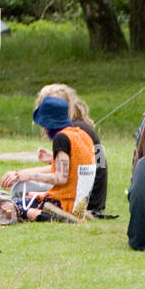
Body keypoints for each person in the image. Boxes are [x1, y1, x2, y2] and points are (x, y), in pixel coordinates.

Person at [1, 95, 97, 221]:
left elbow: (61, 178)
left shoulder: (61, 138)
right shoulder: (82, 135)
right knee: (31, 197)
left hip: (65, 203)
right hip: (80, 205)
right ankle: (70, 214)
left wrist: (31, 176)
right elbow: (76, 167)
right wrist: (53, 158)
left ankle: (48, 216)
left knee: (15, 204)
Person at [35, 83, 108, 216]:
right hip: (94, 198)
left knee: (22, 187)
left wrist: (22, 175)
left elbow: (67, 173)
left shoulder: (67, 133)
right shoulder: (81, 127)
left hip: (83, 199)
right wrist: (54, 157)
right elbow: (80, 165)